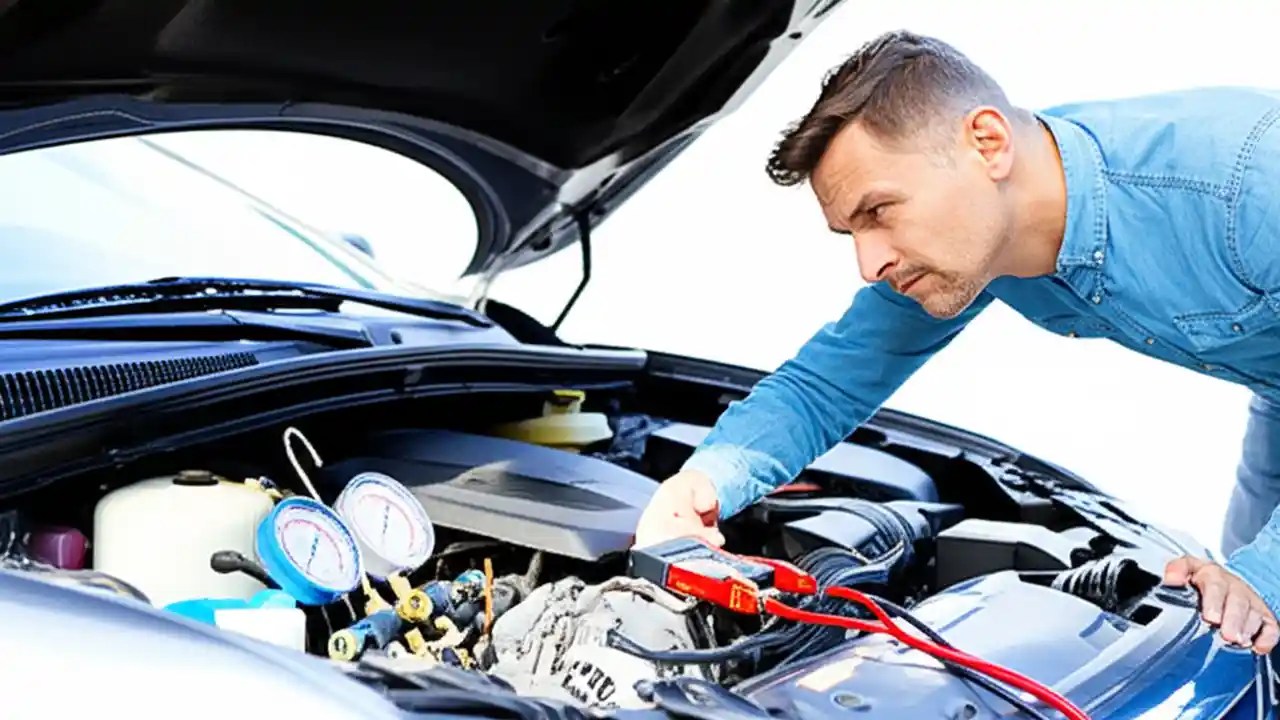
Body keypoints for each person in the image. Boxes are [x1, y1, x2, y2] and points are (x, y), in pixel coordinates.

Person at [632, 29, 1280, 655]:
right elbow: (828, 383)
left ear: (988, 143)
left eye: (879, 212)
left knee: (1254, 593)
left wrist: (1264, 577)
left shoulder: (1249, 186)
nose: (869, 263)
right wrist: (704, 483)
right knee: (1240, 624)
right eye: (850, 233)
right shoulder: (976, 242)